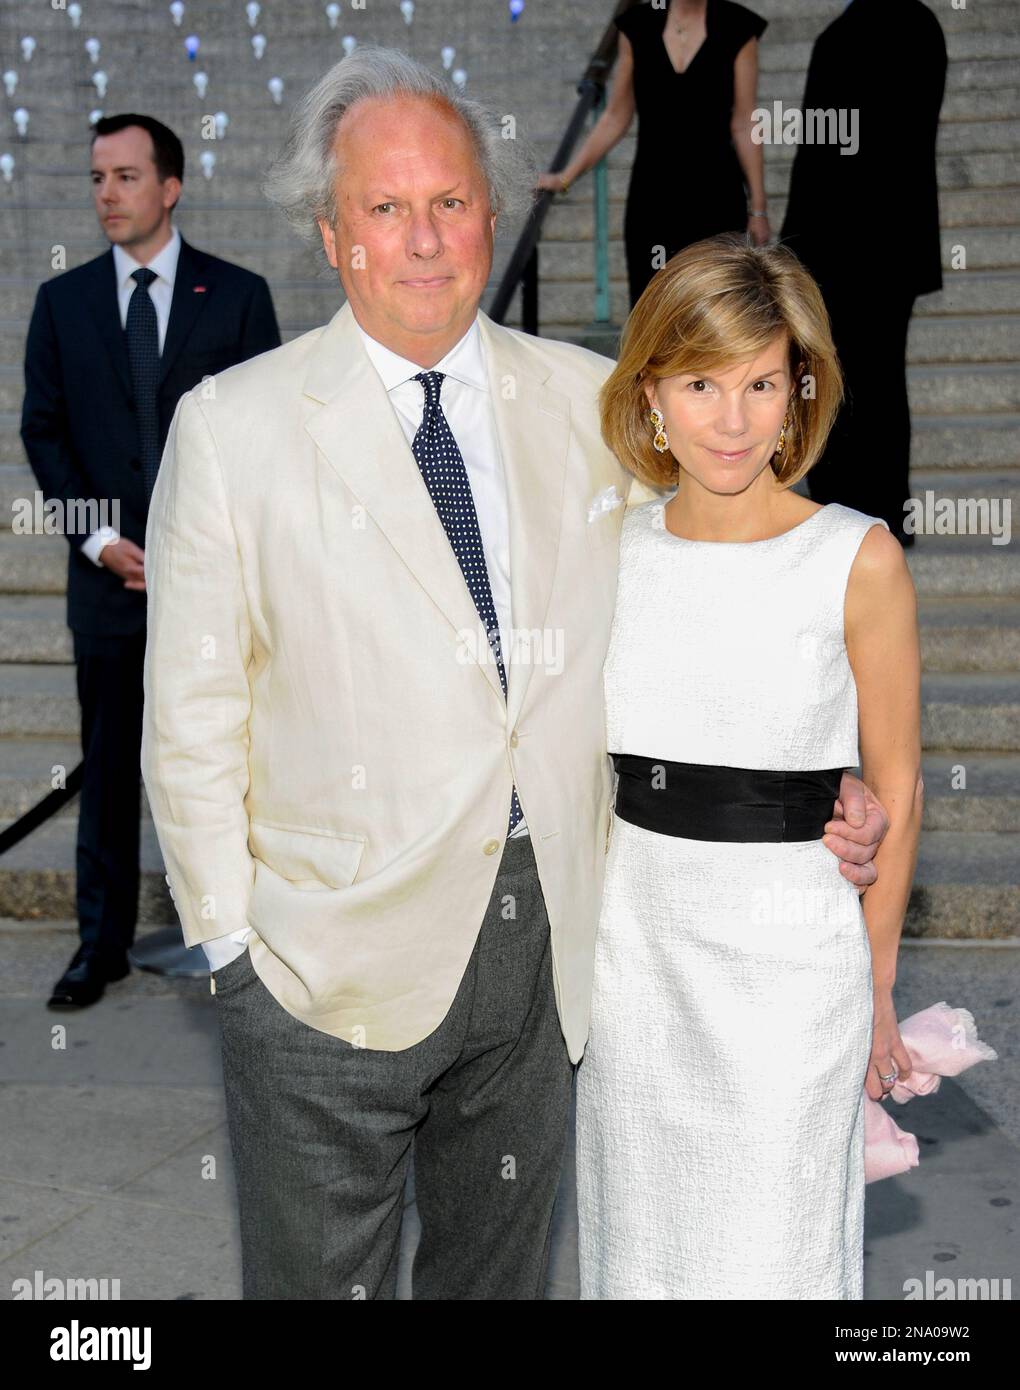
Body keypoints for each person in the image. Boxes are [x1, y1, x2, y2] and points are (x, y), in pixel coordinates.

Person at [140, 47, 888, 1301]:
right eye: (386, 208)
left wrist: (823, 779)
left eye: (450, 201)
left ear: (492, 211)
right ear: (333, 235)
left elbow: (728, 580)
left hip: (548, 960)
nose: (425, 238)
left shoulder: (594, 404)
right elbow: (192, 711)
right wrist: (232, 949)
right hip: (325, 969)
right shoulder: (233, 426)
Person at [575, 233, 924, 1299]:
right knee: (642, 1260)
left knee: (775, 1260)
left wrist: (877, 987)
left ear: (797, 389)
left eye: (762, 382)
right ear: (651, 395)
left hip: (790, 974)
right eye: (701, 382)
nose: (733, 418)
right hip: (635, 968)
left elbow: (897, 785)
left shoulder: (856, 557)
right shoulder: (606, 551)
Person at [20, 113, 280, 1009]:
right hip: (107, 587)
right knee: (106, 767)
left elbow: (265, 434)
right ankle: (100, 946)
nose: (106, 195)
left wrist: (202, 547)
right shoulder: (63, 304)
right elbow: (43, 433)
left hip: (215, 588)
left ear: (169, 187)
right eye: (97, 178)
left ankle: (230, 934)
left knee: (225, 762)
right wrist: (100, 540)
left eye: (126, 177)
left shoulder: (238, 297)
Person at [780, 0, 947, 542]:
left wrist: (792, 247)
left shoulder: (838, 38)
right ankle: (887, 511)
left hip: (840, 246)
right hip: (897, 246)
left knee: (840, 378)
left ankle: (845, 507)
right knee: (883, 378)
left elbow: (816, 158)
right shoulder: (924, 26)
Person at [537, 0, 770, 308]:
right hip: (651, 200)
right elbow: (616, 116)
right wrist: (565, 177)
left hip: (716, 198)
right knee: (653, 309)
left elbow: (744, 121)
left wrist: (758, 208)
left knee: (715, 312)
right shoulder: (637, 27)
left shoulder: (738, 27)